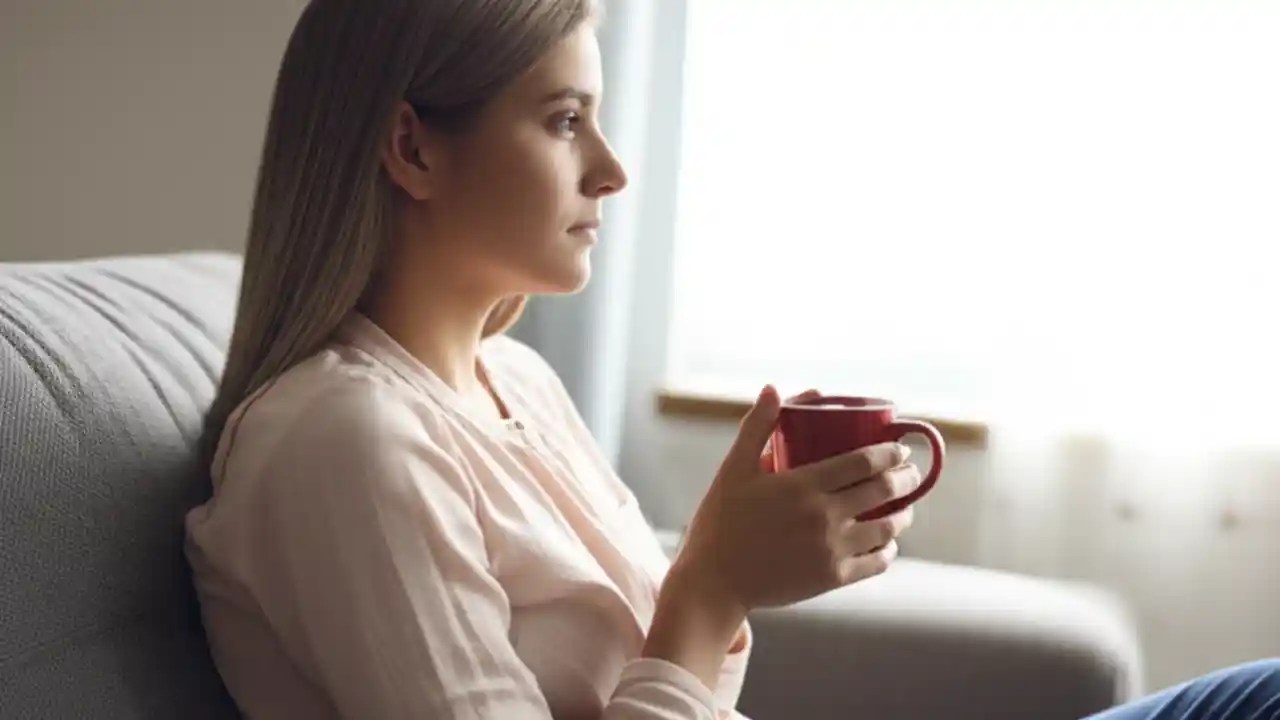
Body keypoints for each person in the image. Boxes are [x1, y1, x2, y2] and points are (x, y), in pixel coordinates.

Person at [183, 1, 1279, 718]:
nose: (610, 169)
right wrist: (705, 586)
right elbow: (682, 636)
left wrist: (734, 567)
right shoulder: (345, 441)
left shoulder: (509, 383)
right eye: (564, 121)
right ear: (413, 147)